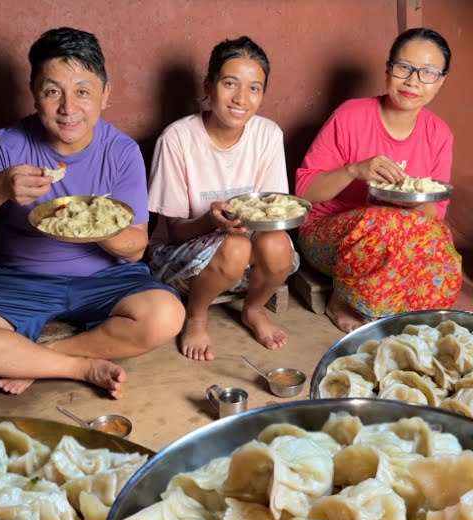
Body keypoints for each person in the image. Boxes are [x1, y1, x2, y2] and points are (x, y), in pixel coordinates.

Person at [0, 27, 183, 397]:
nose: (68, 108)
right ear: (34, 94)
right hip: (19, 278)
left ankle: (40, 357)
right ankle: (79, 367)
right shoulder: (11, 144)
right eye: (52, 92)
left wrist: (96, 221)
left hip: (105, 280)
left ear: (105, 95)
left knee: (166, 315)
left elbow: (135, 247)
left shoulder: (121, 151)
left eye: (82, 91)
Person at [296, 27, 458, 333]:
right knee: (382, 222)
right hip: (329, 238)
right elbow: (305, 190)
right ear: (388, 70)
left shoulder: (439, 134)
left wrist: (405, 197)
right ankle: (343, 301)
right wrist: (354, 170)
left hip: (398, 238)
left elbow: (434, 215)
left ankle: (409, 313)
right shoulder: (350, 116)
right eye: (403, 68)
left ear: (440, 82)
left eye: (427, 73)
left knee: (439, 239)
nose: (413, 81)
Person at [146, 36, 298, 362]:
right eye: (230, 83)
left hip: (243, 261)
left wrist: (250, 223)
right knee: (235, 246)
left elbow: (270, 212)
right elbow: (172, 230)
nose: (241, 98)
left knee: (278, 243)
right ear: (209, 84)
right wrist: (209, 221)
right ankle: (197, 315)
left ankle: (253, 309)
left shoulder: (268, 135)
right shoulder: (178, 138)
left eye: (254, 88)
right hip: (180, 260)